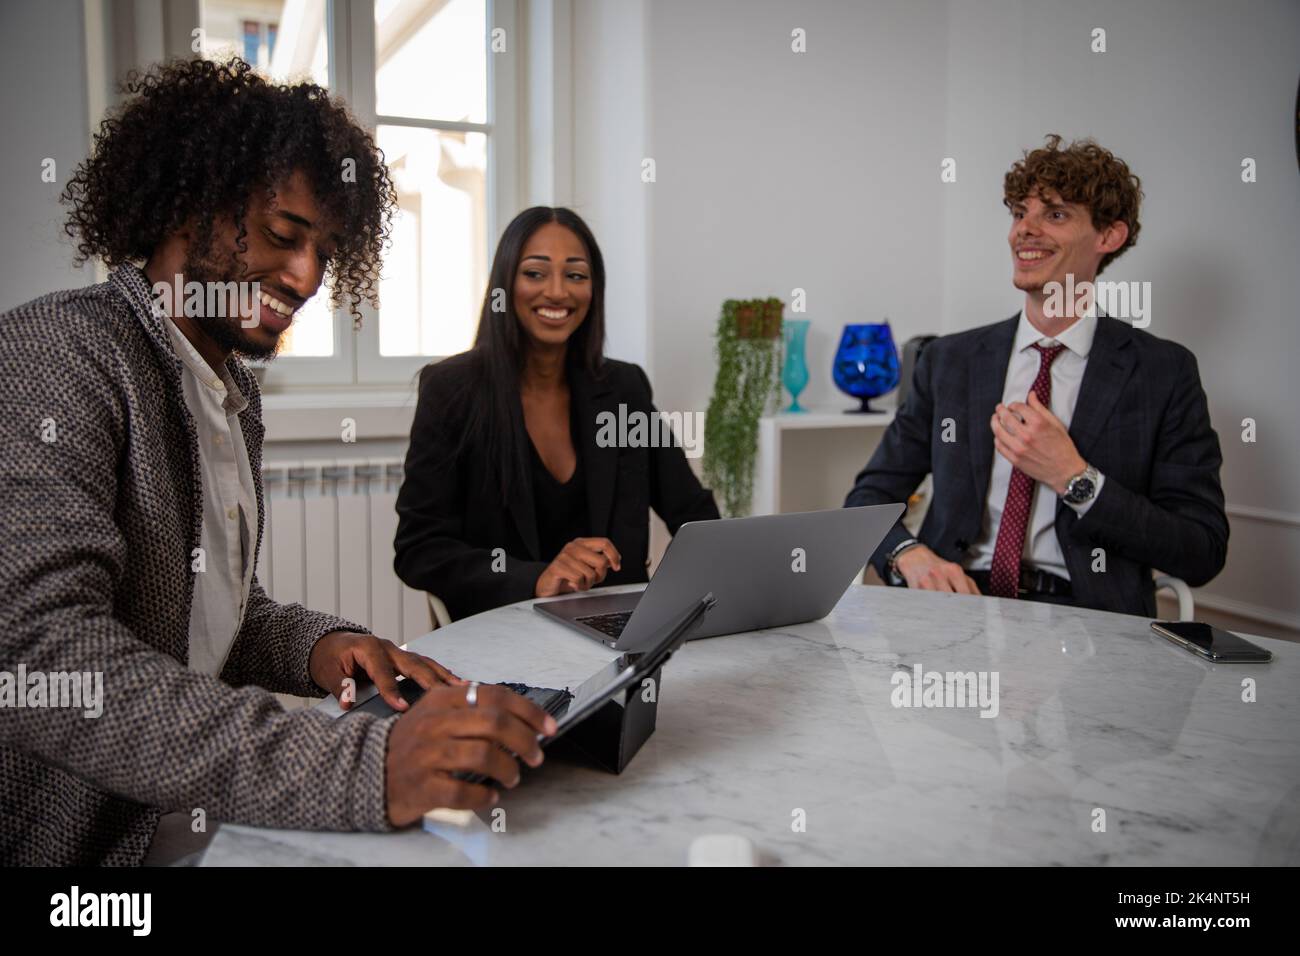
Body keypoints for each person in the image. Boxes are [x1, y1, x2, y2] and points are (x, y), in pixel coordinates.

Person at [0, 58, 554, 866]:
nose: (304, 278)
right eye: (283, 235)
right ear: (190, 203)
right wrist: (361, 766)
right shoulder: (61, 354)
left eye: (325, 252)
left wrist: (318, 647)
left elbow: (204, 618)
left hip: (174, 810)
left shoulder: (229, 394)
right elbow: (40, 655)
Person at [845, 135, 1227, 615]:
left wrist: (1075, 477)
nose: (1023, 231)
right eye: (1019, 213)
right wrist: (910, 556)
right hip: (951, 611)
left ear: (1109, 237)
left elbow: (1202, 550)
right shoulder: (949, 360)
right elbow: (867, 499)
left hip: (1089, 624)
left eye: (1055, 214)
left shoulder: (1164, 372)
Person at [395, 207, 719, 621]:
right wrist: (537, 577)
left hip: (616, 636)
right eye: (535, 273)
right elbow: (419, 549)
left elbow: (692, 512)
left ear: (593, 289)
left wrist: (707, 587)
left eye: (576, 275)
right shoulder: (453, 390)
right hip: (503, 633)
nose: (557, 292)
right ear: (506, 284)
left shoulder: (624, 389)